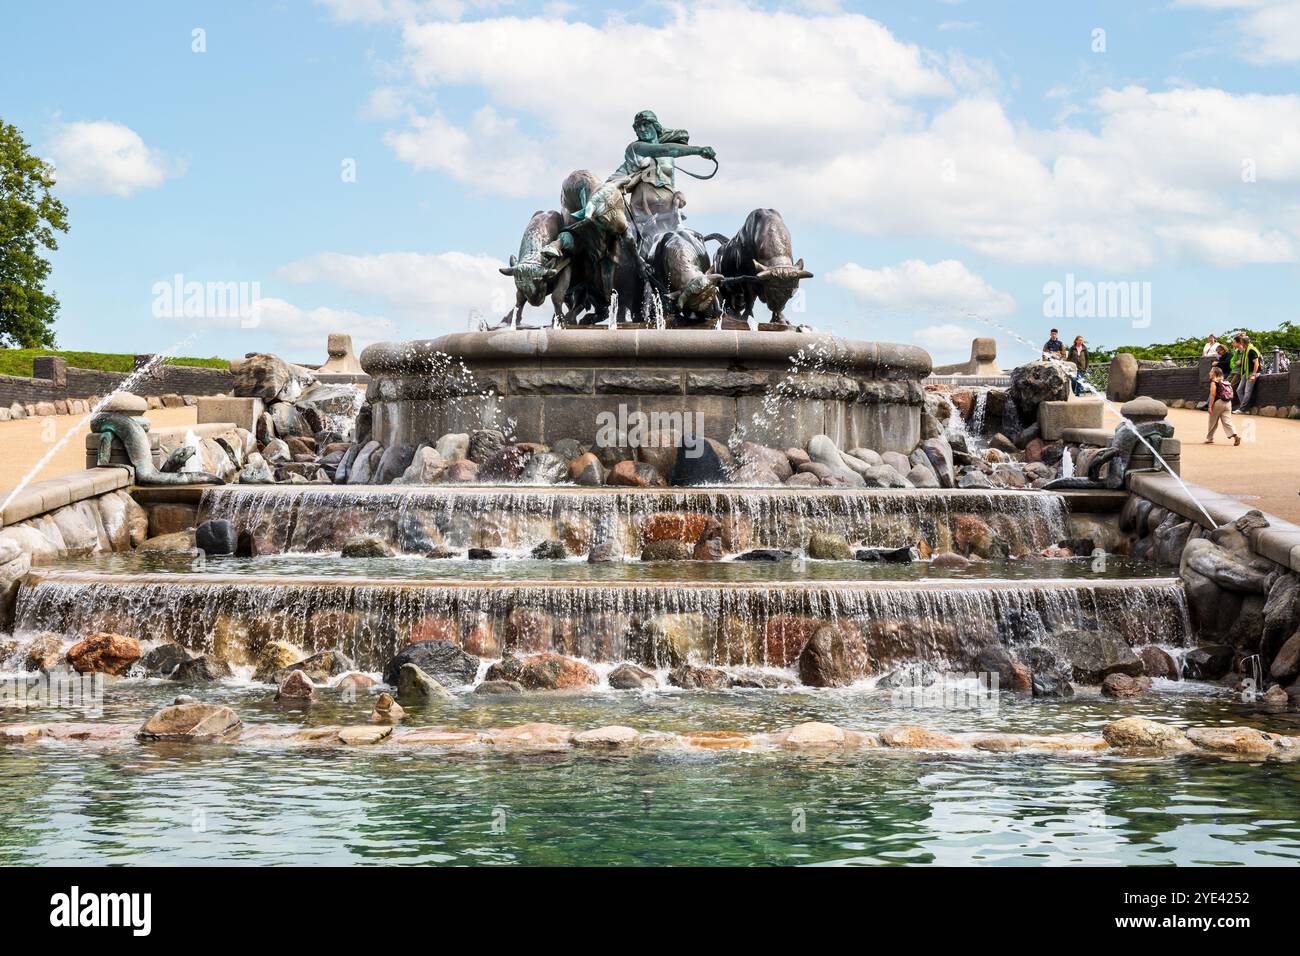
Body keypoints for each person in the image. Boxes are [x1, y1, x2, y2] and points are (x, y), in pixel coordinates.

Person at [1206, 366, 1241, 445]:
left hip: (1218, 403)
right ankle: (1235, 435)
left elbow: (1212, 395)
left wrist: (1209, 406)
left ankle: (1210, 438)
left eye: (1211, 371)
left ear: (1215, 374)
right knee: (1227, 421)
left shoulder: (1214, 382)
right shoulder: (1225, 382)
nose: (1209, 373)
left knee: (1213, 421)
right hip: (1228, 403)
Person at [1236, 334, 1262, 412]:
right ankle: (1245, 408)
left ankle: (1242, 409)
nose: (1240, 344)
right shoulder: (1245, 350)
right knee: (1239, 390)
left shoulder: (1251, 350)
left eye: (1241, 342)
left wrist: (1253, 375)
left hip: (1253, 373)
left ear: (1244, 343)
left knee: (1247, 391)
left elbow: (1256, 363)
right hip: (1246, 372)